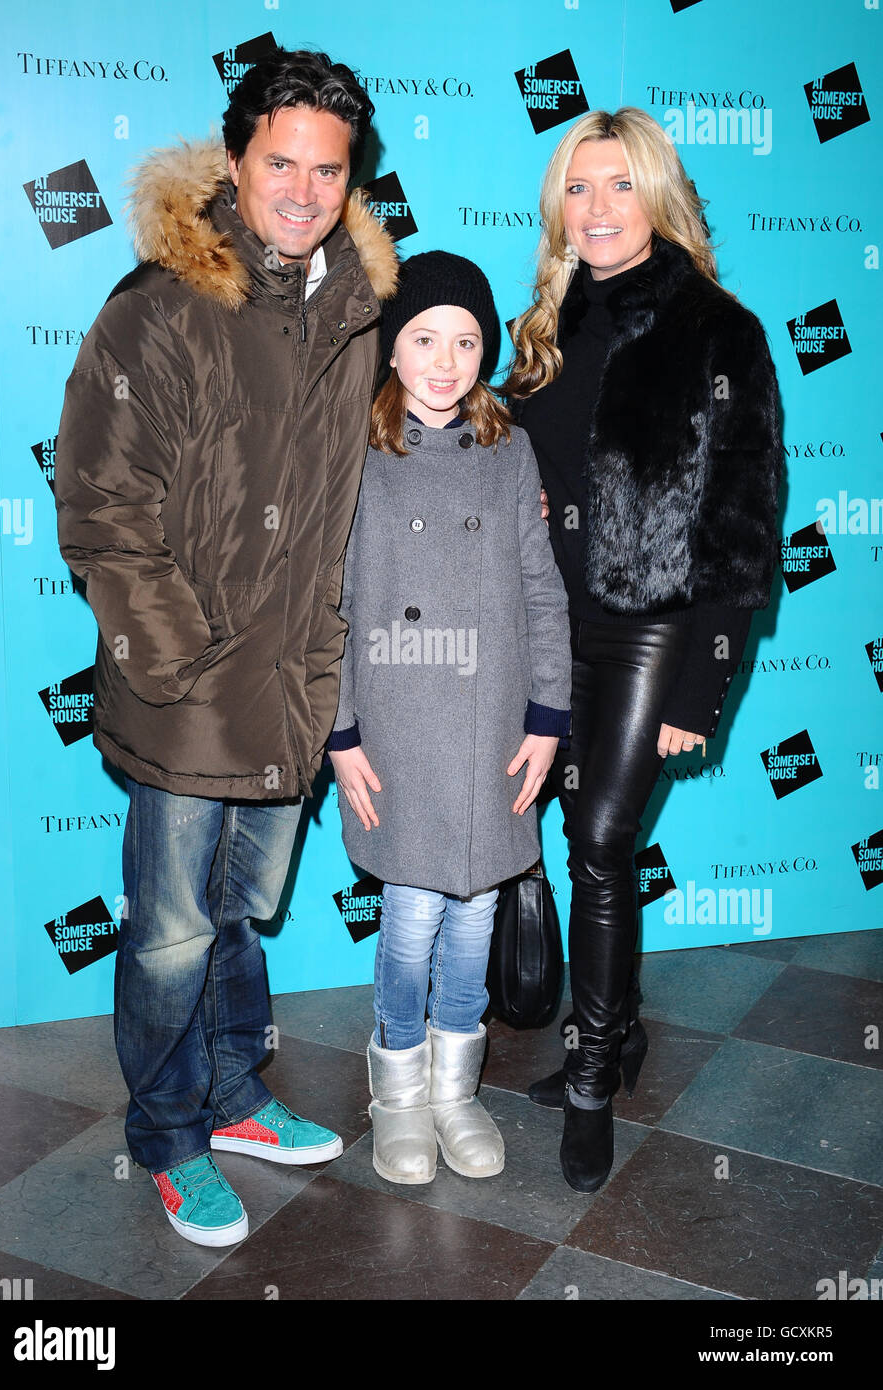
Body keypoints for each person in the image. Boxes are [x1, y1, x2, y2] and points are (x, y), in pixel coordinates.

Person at [55, 49, 398, 1246]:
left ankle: (234, 1092)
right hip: (191, 688)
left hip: (295, 679)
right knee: (170, 931)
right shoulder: (161, 305)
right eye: (279, 162)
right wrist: (178, 660)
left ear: (352, 181)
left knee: (242, 915)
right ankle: (167, 1136)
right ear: (236, 161)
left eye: (327, 169)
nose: (302, 191)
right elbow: (102, 506)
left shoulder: (355, 312)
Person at [503, 107, 783, 1193]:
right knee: (568, 831)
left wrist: (704, 679)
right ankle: (614, 1036)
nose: (598, 208)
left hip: (646, 628)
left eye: (619, 185)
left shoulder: (719, 329)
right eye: (578, 188)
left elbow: (743, 517)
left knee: (603, 842)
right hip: (544, 623)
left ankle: (587, 1080)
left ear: (657, 196)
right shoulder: (543, 325)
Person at [326, 252, 572, 1184]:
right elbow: (328, 606)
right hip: (394, 728)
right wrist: (340, 735)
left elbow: (541, 589)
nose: (445, 360)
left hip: (496, 731)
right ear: (392, 350)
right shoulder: (356, 453)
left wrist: (547, 716)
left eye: (466, 341)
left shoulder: (509, 450)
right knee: (411, 917)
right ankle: (396, 1094)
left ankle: (455, 1092)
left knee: (474, 919)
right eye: (425, 338)